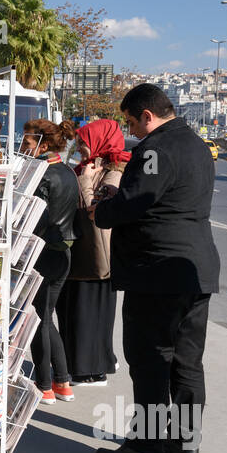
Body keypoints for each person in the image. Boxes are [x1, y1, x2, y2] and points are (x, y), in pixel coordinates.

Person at [89, 84, 220, 453]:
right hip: (196, 269)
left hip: (157, 271)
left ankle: (145, 449)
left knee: (150, 360)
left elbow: (136, 202)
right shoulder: (197, 145)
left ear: (147, 115)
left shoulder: (155, 149)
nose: (133, 131)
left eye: (132, 122)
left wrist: (103, 208)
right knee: (187, 359)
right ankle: (184, 441)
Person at [59, 118, 130, 385]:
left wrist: (86, 182)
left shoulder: (114, 173)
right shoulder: (87, 167)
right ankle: (78, 365)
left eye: (84, 142)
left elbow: (97, 212)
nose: (79, 147)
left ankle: (92, 369)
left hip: (98, 257)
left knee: (90, 314)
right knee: (75, 312)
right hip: (81, 252)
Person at [20, 118, 81, 405]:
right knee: (46, 316)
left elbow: (36, 218)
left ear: (43, 145)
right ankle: (63, 382)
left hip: (42, 253)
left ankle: (44, 384)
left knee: (37, 320)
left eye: (27, 142)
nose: (22, 147)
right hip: (63, 253)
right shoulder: (67, 171)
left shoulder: (42, 174)